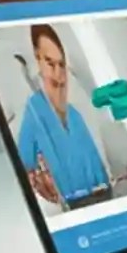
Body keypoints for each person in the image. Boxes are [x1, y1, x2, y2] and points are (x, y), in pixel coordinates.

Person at [17, 24, 112, 210]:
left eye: (61, 64)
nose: (57, 73)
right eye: (50, 63)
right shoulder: (34, 109)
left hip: (105, 197)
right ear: (37, 61)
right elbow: (24, 162)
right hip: (75, 205)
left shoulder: (75, 113)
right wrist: (37, 180)